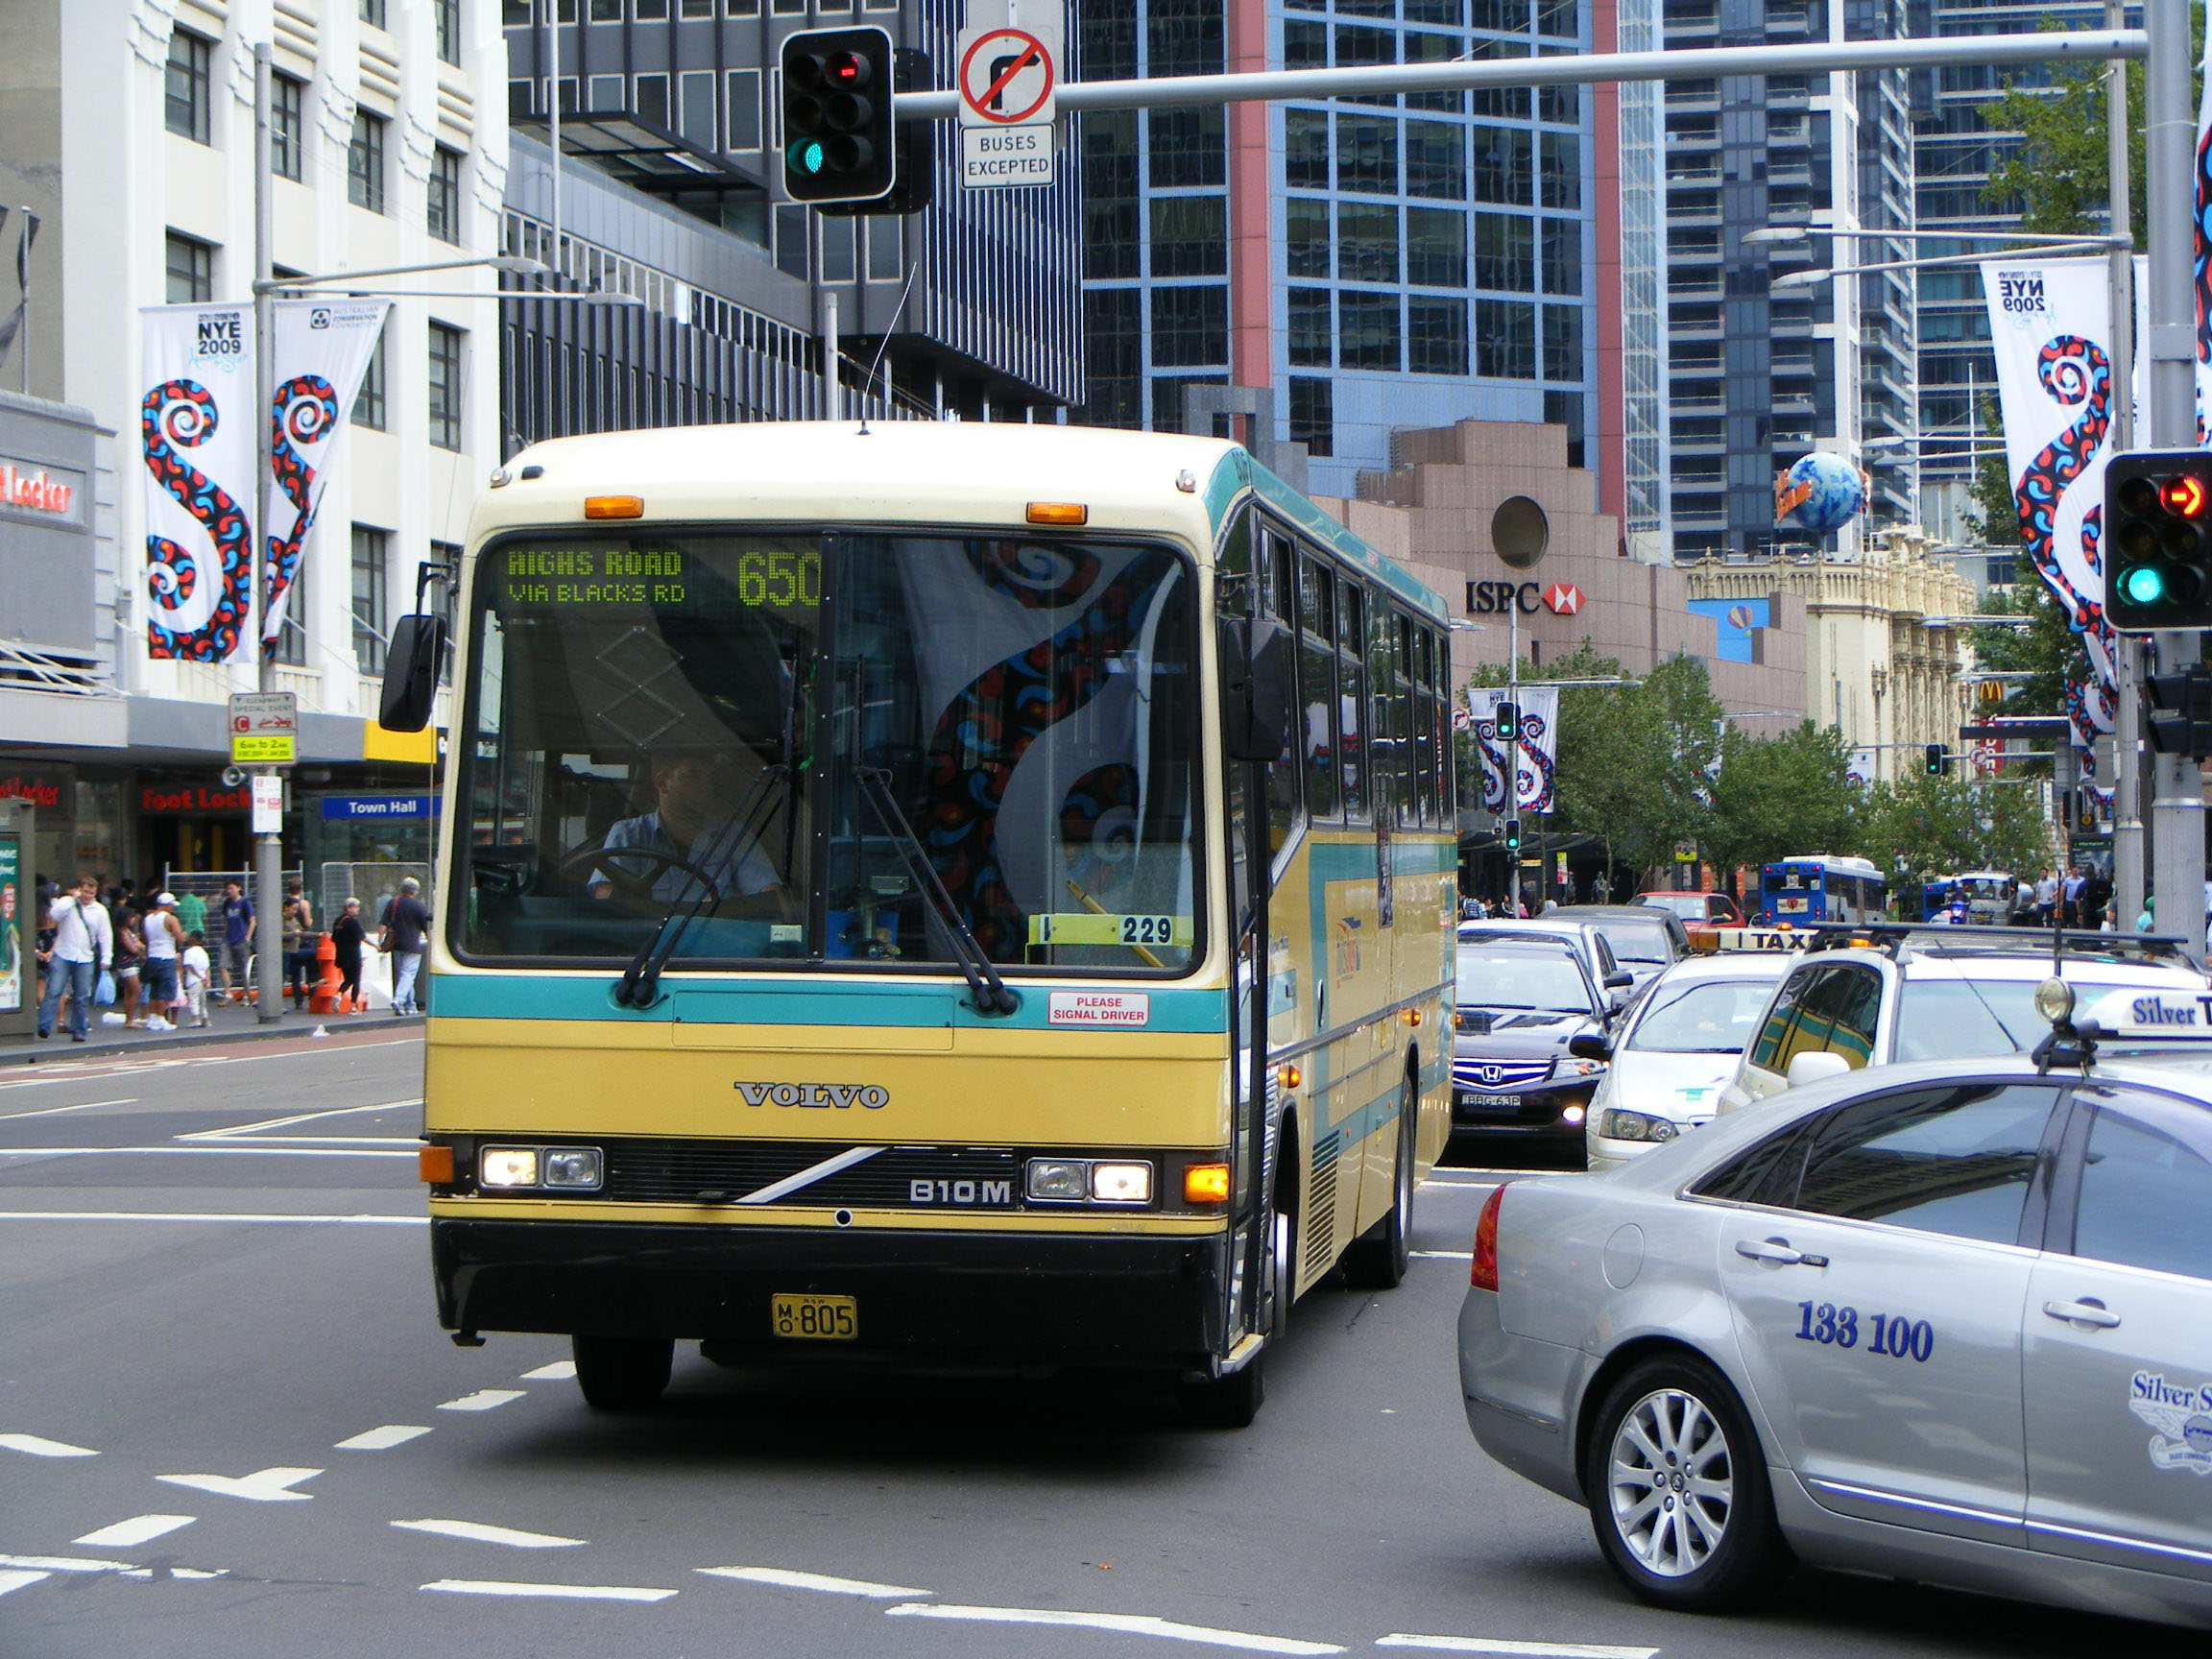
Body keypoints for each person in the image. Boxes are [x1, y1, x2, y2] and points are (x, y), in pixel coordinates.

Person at [590, 748, 785, 908]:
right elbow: (606, 900)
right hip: (650, 944)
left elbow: (772, 898)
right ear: (662, 783)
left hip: (718, 943)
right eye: (694, 776)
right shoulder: (629, 834)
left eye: (709, 778)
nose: (705, 786)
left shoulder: (733, 836)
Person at [37, 874, 112, 1044]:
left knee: (82, 995)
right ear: (79, 890)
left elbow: (105, 935)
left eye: (91, 893)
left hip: (85, 956)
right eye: (85, 892)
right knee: (54, 990)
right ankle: (44, 1025)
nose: (87, 896)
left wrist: (107, 957)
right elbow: (54, 915)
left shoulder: (100, 911)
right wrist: (72, 900)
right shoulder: (67, 903)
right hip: (63, 952)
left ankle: (79, 1030)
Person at [377, 878, 432, 1016]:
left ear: (402, 889)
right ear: (415, 891)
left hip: (396, 945)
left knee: (404, 976)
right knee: (408, 974)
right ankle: (398, 1000)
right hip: (412, 945)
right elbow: (426, 928)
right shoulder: (418, 906)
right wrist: (432, 944)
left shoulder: (393, 903)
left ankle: (410, 1005)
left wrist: (380, 940)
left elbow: (383, 923)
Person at [141, 893, 184, 1030]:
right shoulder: (170, 919)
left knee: (154, 990)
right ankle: (160, 1018)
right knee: (164, 990)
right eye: (172, 906)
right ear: (167, 905)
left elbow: (146, 938)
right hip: (166, 957)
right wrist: (184, 934)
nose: (173, 909)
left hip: (152, 956)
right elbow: (179, 938)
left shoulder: (147, 919)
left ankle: (152, 1018)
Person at [280, 880, 317, 1010]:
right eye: (294, 909)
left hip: (294, 949)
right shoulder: (303, 904)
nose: (296, 911)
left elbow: (302, 932)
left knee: (296, 972)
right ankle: (312, 987)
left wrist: (318, 935)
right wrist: (294, 934)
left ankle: (302, 997)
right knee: (284, 975)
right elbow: (306, 924)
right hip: (287, 950)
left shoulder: (294, 919)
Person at [216, 879, 253, 1003]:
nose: (229, 891)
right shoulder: (227, 903)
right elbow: (226, 920)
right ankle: (228, 992)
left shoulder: (244, 903)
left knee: (244, 969)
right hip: (228, 939)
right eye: (228, 889)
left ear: (238, 888)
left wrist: (247, 937)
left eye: (231, 888)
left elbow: (252, 920)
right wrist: (224, 934)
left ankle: (246, 995)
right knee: (222, 965)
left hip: (241, 939)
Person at [330, 898, 366, 1013]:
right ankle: (353, 1006)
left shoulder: (338, 921)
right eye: (356, 907)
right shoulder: (352, 922)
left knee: (348, 979)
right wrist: (376, 946)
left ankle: (339, 995)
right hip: (353, 954)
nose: (358, 909)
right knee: (356, 980)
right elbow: (362, 937)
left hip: (341, 955)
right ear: (349, 908)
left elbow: (333, 938)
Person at [180, 929, 211, 1028]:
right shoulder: (204, 952)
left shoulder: (189, 952)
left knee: (193, 1000)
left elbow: (190, 967)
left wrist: (199, 976)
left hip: (194, 980)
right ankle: (205, 1019)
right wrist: (207, 979)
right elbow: (207, 968)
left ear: (193, 939)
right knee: (202, 1001)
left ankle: (195, 1019)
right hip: (203, 980)